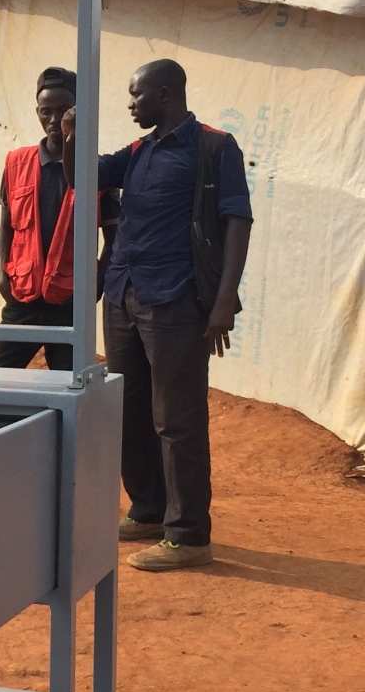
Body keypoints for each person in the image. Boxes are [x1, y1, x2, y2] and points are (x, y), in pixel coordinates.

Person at [63, 59, 252, 572]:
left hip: (176, 302)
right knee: (129, 411)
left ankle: (189, 534)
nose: (130, 106)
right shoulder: (140, 151)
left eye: (136, 96)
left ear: (165, 95)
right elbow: (86, 176)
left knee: (178, 419)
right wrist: (71, 133)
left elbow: (238, 223)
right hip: (124, 295)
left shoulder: (213, 147)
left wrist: (223, 302)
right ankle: (148, 509)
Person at [0, 69, 118, 371]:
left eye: (62, 110)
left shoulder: (99, 170)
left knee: (70, 388)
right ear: (37, 112)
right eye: (46, 111)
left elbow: (115, 240)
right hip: (23, 298)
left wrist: (95, 286)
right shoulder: (16, 162)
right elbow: (6, 226)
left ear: (77, 110)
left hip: (70, 302)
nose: (53, 119)